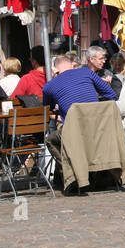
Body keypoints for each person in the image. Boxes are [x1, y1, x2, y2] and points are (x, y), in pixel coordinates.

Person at [42, 53, 119, 194]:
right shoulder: (86, 72)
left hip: (75, 131)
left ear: (55, 70)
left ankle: (72, 175)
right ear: (72, 64)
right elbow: (111, 95)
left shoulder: (49, 86)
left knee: (51, 140)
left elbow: (47, 109)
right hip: (99, 128)